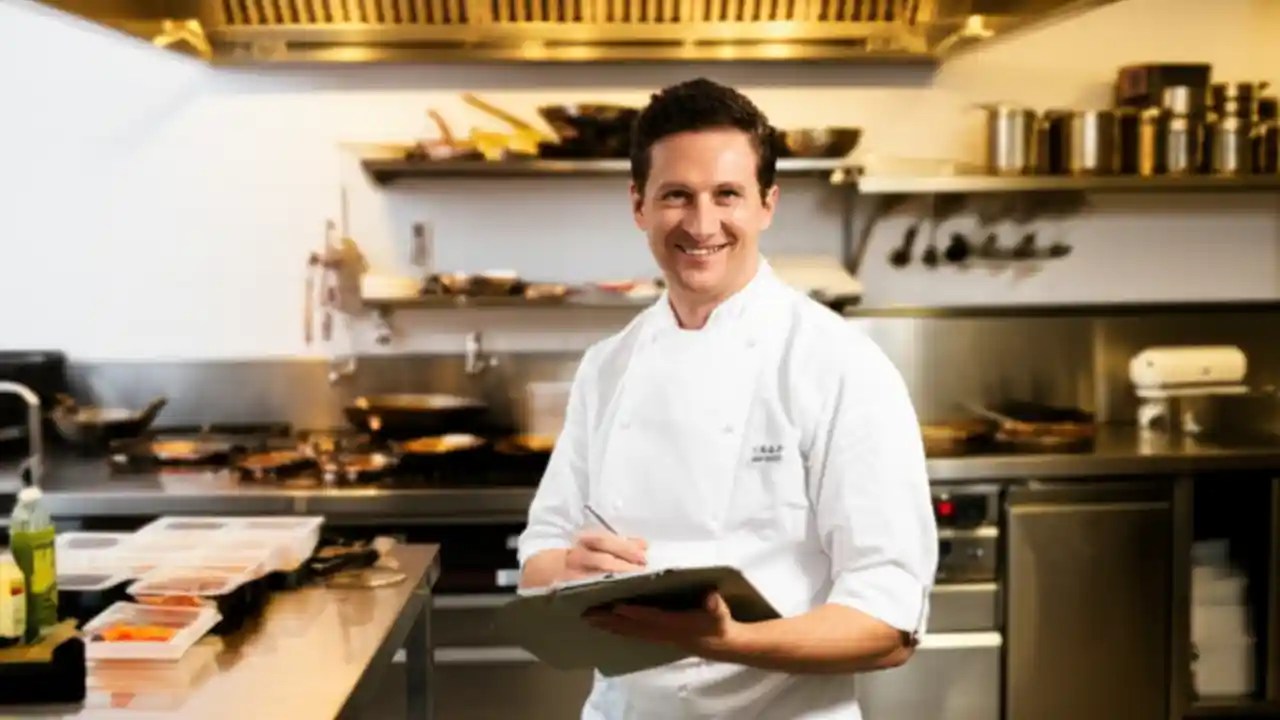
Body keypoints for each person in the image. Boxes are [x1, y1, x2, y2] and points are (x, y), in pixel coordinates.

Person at [516, 78, 938, 720]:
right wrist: (569, 569)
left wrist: (729, 642)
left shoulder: (838, 364)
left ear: (767, 204)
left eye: (727, 195)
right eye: (676, 196)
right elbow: (539, 558)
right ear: (638, 204)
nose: (701, 223)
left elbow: (889, 622)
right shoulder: (609, 367)